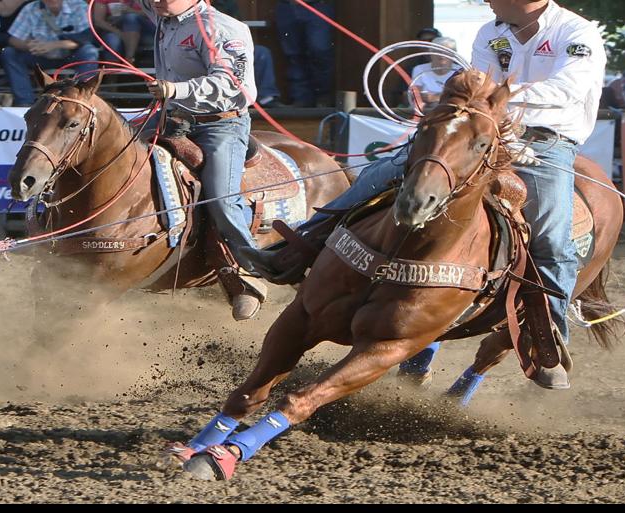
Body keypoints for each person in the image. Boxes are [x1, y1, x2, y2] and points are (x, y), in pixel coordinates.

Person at [240, 0, 604, 390]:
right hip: (482, 132)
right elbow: (476, 83)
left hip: (546, 145)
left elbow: (568, 89)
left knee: (551, 235)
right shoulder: (491, 33)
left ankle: (546, 334)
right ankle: (300, 246)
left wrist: (497, 97)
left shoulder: (576, 34)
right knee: (379, 175)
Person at [145, 0, 268, 320]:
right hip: (173, 118)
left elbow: (234, 85)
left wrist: (175, 89)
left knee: (222, 196)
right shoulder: (165, 12)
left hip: (220, 125)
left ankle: (248, 271)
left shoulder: (223, 28)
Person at [3, 0, 101, 106]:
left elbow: (87, 38)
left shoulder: (79, 6)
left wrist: (53, 45)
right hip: (40, 56)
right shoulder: (30, 8)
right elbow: (13, 39)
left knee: (89, 51)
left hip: (71, 55)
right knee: (10, 53)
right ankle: (24, 102)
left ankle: (81, 99)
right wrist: (30, 46)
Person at [275, 0, 334, 107]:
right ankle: (301, 98)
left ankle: (323, 95)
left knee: (319, 50)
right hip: (287, 5)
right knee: (293, 55)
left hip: (317, 5)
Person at [408, 36, 458, 109]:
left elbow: (463, 96)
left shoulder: (460, 71)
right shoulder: (419, 69)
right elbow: (414, 93)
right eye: (438, 51)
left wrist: (436, 97)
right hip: (424, 109)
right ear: (431, 52)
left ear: (454, 54)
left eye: (447, 51)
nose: (442, 55)